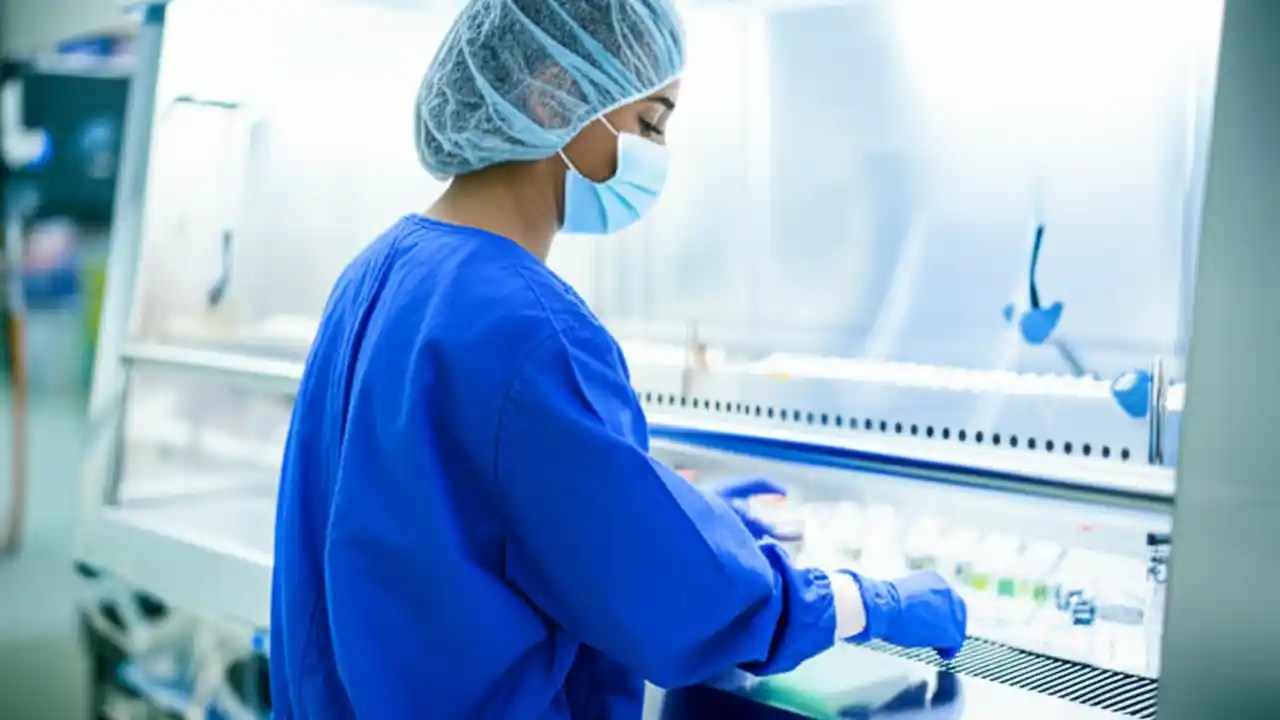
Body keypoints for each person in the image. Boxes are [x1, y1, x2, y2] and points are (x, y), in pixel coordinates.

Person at [269, 1, 966, 718]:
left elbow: (463, 513)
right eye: (651, 123)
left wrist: (678, 518)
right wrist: (862, 602)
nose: (658, 153)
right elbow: (681, 602)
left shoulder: (374, 273)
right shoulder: (526, 326)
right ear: (551, 96)